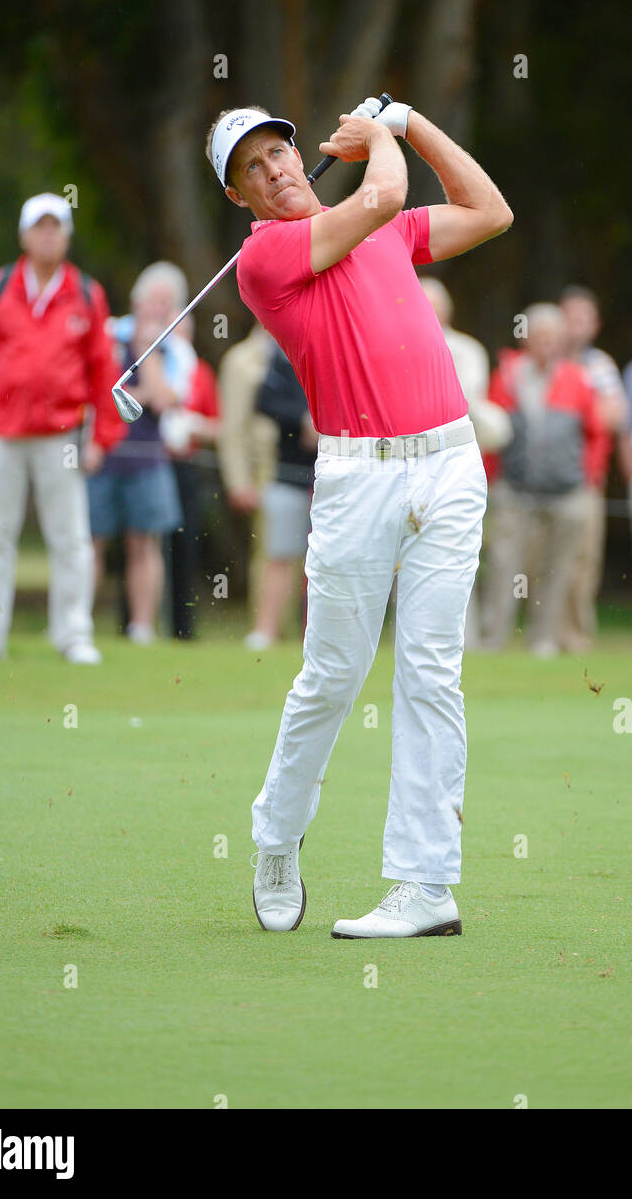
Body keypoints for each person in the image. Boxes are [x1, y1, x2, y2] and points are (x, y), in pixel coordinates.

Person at [206, 96, 511, 937]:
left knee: (430, 673)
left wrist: (413, 128)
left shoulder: (380, 225)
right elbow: (377, 197)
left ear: (301, 156)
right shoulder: (265, 259)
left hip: (449, 462)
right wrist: (381, 139)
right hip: (357, 479)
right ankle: (276, 835)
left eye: (279, 153)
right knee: (333, 677)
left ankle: (425, 886)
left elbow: (490, 211)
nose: (274, 171)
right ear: (240, 196)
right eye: (252, 169)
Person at [0, 195, 124, 663]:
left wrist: (100, 437)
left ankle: (72, 633)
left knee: (70, 537)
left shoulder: (87, 292)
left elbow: (101, 370)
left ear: (66, 236)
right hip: (3, 433)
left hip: (61, 435)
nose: (48, 235)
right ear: (24, 235)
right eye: (40, 227)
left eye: (56, 227)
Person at [481, 303, 601, 655]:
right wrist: (491, 479)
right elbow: (491, 432)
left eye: (554, 338)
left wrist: (589, 475)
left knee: (557, 570)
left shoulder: (577, 378)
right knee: (504, 564)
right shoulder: (506, 376)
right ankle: (494, 638)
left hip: (566, 491)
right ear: (527, 339)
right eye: (541, 337)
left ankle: (544, 639)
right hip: (515, 488)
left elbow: (595, 433)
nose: (547, 344)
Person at [88, 263, 184, 644]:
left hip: (148, 459)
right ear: (137, 299)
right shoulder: (109, 333)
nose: (156, 308)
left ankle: (142, 626)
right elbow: (99, 393)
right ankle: (79, 622)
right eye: (152, 299)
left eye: (165, 303)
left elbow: (163, 399)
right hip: (104, 455)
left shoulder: (171, 347)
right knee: (91, 541)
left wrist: (148, 350)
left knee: (143, 543)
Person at [419, 276, 511, 647]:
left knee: (456, 555)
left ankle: (464, 640)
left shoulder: (466, 350)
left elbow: (464, 400)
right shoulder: (392, 342)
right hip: (409, 465)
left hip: (455, 465)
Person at [558, 284, 628, 650]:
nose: (574, 326)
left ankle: (577, 637)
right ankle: (545, 635)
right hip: (543, 480)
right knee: (543, 562)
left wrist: (571, 412)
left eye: (582, 318)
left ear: (594, 325)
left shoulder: (599, 365)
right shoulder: (542, 358)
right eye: (568, 317)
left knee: (583, 561)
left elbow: (615, 414)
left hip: (585, 477)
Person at [248, 342, 318, 647]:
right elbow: (264, 400)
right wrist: (304, 418)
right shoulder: (284, 352)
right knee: (280, 555)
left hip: (336, 478)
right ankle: (266, 631)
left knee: (329, 563)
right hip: (288, 473)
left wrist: (327, 424)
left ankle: (318, 638)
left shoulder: (345, 348)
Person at [159, 315, 220, 640]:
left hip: (186, 466)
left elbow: (217, 426)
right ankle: (137, 625)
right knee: (148, 544)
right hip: (153, 463)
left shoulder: (200, 373)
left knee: (184, 543)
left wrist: (194, 425)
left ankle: (182, 628)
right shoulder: (150, 365)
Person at [216, 322, 278, 632]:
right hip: (264, 469)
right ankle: (266, 630)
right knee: (271, 552)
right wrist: (238, 481)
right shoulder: (242, 360)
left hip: (312, 463)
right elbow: (233, 426)